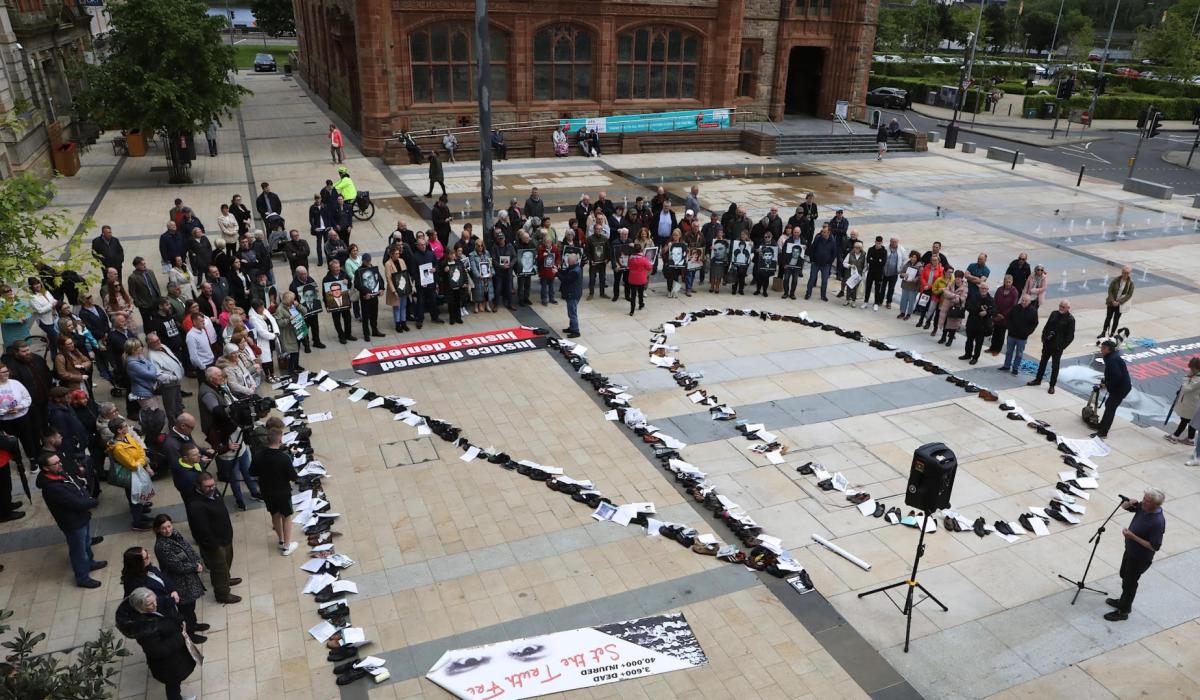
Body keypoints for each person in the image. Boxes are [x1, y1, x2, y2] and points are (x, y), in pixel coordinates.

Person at [115, 587, 197, 700]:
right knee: (173, 682)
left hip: (174, 652)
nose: (155, 605)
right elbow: (157, 650)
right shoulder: (145, 628)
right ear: (140, 607)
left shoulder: (152, 609)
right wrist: (180, 637)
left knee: (174, 681)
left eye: (155, 600)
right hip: (168, 662)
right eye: (150, 604)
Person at [38, 452, 105, 588]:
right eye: (55, 463)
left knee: (86, 542)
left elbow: (76, 486)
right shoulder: (52, 487)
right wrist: (92, 502)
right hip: (73, 522)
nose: (60, 464)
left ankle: (90, 563)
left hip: (81, 516)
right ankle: (82, 578)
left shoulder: (58, 473)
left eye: (59, 461)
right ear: (46, 468)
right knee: (78, 551)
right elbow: (75, 503)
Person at [197, 366, 260, 510]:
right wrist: (227, 447)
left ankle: (254, 492)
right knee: (234, 477)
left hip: (236, 436)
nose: (223, 377)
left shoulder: (218, 386)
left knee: (247, 469)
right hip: (226, 443)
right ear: (212, 378)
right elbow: (217, 412)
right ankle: (239, 500)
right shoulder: (207, 394)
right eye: (219, 375)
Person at [122, 544, 207, 644]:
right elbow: (149, 602)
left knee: (186, 614)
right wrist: (170, 600)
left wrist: (173, 590)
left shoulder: (149, 568)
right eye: (146, 557)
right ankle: (188, 637)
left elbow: (163, 578)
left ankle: (192, 627)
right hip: (161, 612)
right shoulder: (135, 584)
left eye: (147, 553)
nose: (149, 556)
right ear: (137, 563)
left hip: (169, 604)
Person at [1104, 489, 1166, 621]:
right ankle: (1122, 601)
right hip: (1130, 551)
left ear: (1156, 505)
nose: (1143, 501)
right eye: (1144, 498)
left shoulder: (1157, 522)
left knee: (1130, 583)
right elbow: (1124, 507)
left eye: (1147, 501)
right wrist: (1128, 503)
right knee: (1123, 575)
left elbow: (1154, 546)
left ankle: (1123, 611)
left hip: (1140, 558)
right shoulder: (1144, 508)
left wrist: (1132, 536)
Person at [184, 471, 241, 604]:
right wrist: (214, 546)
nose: (212, 488)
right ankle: (222, 594)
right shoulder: (195, 505)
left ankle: (226, 580)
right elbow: (201, 530)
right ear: (199, 486)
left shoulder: (214, 493)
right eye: (207, 486)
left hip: (225, 537)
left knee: (226, 563)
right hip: (214, 544)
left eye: (213, 485)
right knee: (219, 568)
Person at [152, 514, 209, 637]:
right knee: (185, 608)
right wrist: (194, 567)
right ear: (158, 530)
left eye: (169, 526)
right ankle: (190, 633)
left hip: (189, 577)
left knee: (191, 604)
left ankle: (194, 624)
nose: (168, 530)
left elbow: (189, 548)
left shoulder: (175, 534)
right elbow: (176, 565)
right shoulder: (162, 546)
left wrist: (197, 561)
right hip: (179, 582)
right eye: (163, 528)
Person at [250, 426, 299, 556]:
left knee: (275, 515)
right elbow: (293, 477)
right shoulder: (284, 458)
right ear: (280, 439)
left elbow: (252, 472)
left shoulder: (258, 456)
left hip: (267, 491)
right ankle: (287, 546)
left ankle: (281, 540)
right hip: (282, 492)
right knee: (287, 516)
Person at [107, 417, 155, 530]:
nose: (127, 427)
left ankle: (140, 515)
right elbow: (132, 464)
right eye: (125, 426)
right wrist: (144, 461)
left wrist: (142, 460)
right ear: (119, 430)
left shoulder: (127, 437)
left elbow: (140, 449)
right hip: (131, 475)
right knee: (134, 497)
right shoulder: (118, 448)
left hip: (138, 471)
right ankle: (137, 522)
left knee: (138, 496)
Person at [1028, 299, 1075, 394]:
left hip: (1057, 347)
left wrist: (1061, 347)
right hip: (1048, 343)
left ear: (1068, 308)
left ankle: (1052, 385)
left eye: (1063, 307)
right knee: (1042, 362)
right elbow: (1047, 326)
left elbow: (1070, 336)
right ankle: (1038, 379)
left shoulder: (1070, 319)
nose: (1061, 308)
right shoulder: (1054, 314)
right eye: (1060, 306)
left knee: (1055, 366)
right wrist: (1043, 338)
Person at [1095, 339, 1132, 440]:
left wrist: (1106, 385)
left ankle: (1103, 432)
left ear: (1108, 349)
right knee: (1109, 405)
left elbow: (1117, 376)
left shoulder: (1112, 359)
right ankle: (1101, 425)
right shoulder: (1111, 356)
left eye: (1103, 348)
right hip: (1119, 386)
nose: (1101, 350)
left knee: (1110, 408)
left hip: (1121, 388)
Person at [146, 333, 186, 424]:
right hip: (168, 385)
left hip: (176, 381)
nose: (158, 342)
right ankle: (173, 425)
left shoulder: (162, 346)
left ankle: (181, 421)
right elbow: (158, 375)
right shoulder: (152, 357)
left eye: (158, 340)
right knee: (171, 406)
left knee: (178, 403)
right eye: (154, 342)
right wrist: (173, 378)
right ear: (149, 344)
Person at [405, 236, 441, 328]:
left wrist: (434, 269)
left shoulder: (430, 254)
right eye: (421, 245)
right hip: (421, 285)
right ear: (417, 246)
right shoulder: (414, 257)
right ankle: (419, 320)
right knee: (420, 302)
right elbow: (413, 272)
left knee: (433, 300)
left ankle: (435, 317)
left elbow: (436, 264)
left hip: (431, 283)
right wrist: (420, 282)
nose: (423, 246)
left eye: (424, 244)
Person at [1000, 295, 1038, 375]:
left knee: (1019, 354)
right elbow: (1008, 318)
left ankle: (1015, 368)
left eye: (1025, 301)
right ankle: (1006, 366)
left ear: (1029, 302)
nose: (1023, 302)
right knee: (1008, 352)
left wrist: (1027, 332)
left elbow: (1034, 324)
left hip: (1022, 338)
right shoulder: (1015, 308)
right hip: (1011, 335)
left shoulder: (1033, 311)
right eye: (1022, 300)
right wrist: (1009, 328)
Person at [1167, 358, 1200, 444]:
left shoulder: (1198, 379)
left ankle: (1175, 436)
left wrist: (1187, 377)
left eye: (1192, 369)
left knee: (1185, 420)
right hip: (1191, 403)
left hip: (1192, 403)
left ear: (1197, 368)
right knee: (1190, 421)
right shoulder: (1195, 376)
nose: (1191, 370)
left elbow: (1186, 388)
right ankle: (1190, 439)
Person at [322, 260, 355, 343]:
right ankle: (341, 336)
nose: (337, 269)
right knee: (337, 320)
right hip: (333, 304)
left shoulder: (344, 274)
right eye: (335, 268)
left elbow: (350, 285)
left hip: (345, 302)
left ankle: (348, 334)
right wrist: (327, 305)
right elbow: (324, 293)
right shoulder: (326, 279)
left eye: (338, 267)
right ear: (331, 268)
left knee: (348, 318)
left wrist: (348, 283)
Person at [353, 253, 385, 338]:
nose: (368, 262)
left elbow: (380, 280)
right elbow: (357, 284)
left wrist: (382, 288)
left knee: (374, 315)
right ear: (363, 261)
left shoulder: (373, 268)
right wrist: (366, 292)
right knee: (365, 316)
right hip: (365, 298)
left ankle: (375, 330)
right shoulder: (358, 271)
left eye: (369, 261)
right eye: (366, 261)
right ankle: (366, 334)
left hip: (374, 297)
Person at [987, 274, 1020, 356]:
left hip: (1005, 317)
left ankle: (997, 349)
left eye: (1009, 282)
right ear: (1004, 281)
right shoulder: (999, 289)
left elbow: (1013, 305)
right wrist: (997, 313)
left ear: (1012, 282)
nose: (1008, 283)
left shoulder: (1014, 292)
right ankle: (992, 347)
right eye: (1006, 281)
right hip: (997, 314)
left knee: (1001, 334)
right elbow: (995, 301)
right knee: (995, 332)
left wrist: (1003, 315)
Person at [1100, 265, 1135, 338]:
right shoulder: (1116, 280)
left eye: (1127, 273)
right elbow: (1110, 290)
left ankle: (1112, 334)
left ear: (1130, 273)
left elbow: (1129, 294)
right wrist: (1112, 301)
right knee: (1108, 317)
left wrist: (1119, 302)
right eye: (1124, 272)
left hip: (1120, 304)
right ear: (1122, 272)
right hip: (1111, 302)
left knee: (1116, 319)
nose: (1125, 274)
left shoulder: (1130, 283)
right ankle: (1103, 332)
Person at [805, 223, 836, 301]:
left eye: (824, 232)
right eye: (822, 232)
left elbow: (834, 253)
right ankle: (808, 293)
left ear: (828, 232)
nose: (822, 233)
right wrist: (812, 260)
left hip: (825, 265)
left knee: (824, 281)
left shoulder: (832, 241)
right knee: (812, 279)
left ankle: (823, 295)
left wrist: (829, 262)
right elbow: (812, 249)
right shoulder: (818, 239)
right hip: (815, 263)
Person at [936, 270, 968, 347]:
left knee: (953, 325)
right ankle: (943, 337)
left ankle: (950, 339)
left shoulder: (965, 287)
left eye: (959, 278)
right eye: (956, 277)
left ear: (961, 278)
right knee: (945, 323)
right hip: (947, 307)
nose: (957, 279)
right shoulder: (951, 283)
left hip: (956, 309)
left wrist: (951, 297)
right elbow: (945, 293)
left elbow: (963, 298)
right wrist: (954, 296)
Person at [558, 252, 583, 338]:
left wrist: (557, 273)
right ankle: (572, 327)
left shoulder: (574, 272)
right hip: (573, 293)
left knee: (572, 313)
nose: (567, 261)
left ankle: (575, 331)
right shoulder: (574, 267)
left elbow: (565, 280)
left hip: (572, 294)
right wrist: (558, 270)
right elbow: (565, 273)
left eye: (568, 260)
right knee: (571, 312)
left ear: (572, 261)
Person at [626, 244, 651, 317]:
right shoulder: (643, 259)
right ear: (641, 250)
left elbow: (629, 266)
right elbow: (649, 267)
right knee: (640, 293)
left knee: (633, 295)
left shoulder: (630, 258)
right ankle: (641, 304)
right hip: (641, 279)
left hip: (633, 279)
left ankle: (632, 310)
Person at [841, 240, 866, 307]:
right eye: (855, 247)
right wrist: (850, 265)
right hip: (850, 274)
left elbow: (865, 265)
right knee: (849, 286)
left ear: (860, 249)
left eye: (858, 248)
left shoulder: (864, 255)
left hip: (858, 275)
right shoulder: (850, 254)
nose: (856, 249)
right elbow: (844, 263)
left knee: (855, 288)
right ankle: (847, 299)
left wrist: (863, 272)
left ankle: (853, 301)